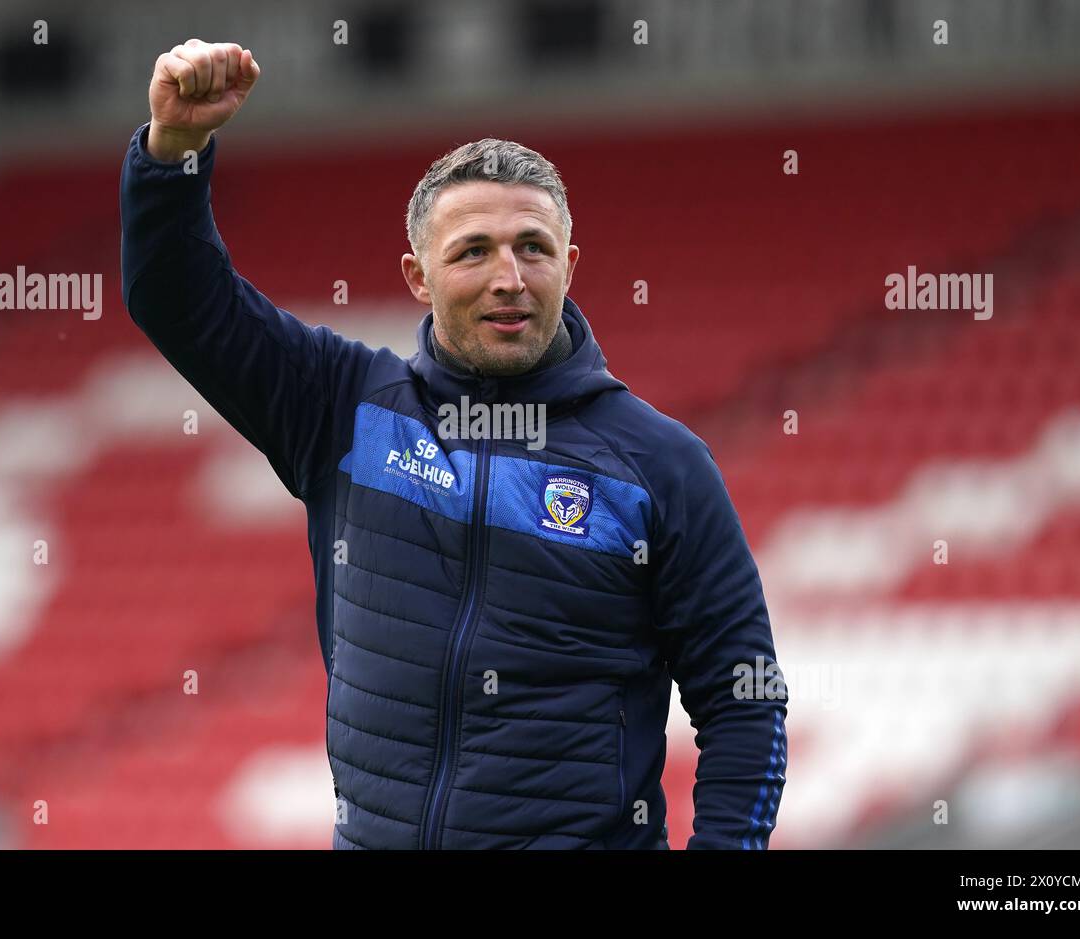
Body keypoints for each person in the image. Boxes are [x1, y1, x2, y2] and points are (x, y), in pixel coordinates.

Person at [120, 39, 787, 850]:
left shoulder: (662, 466)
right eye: (473, 251)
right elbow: (177, 297)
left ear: (569, 265)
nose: (509, 276)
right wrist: (175, 153)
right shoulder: (342, 406)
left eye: (532, 248)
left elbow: (744, 699)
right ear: (417, 275)